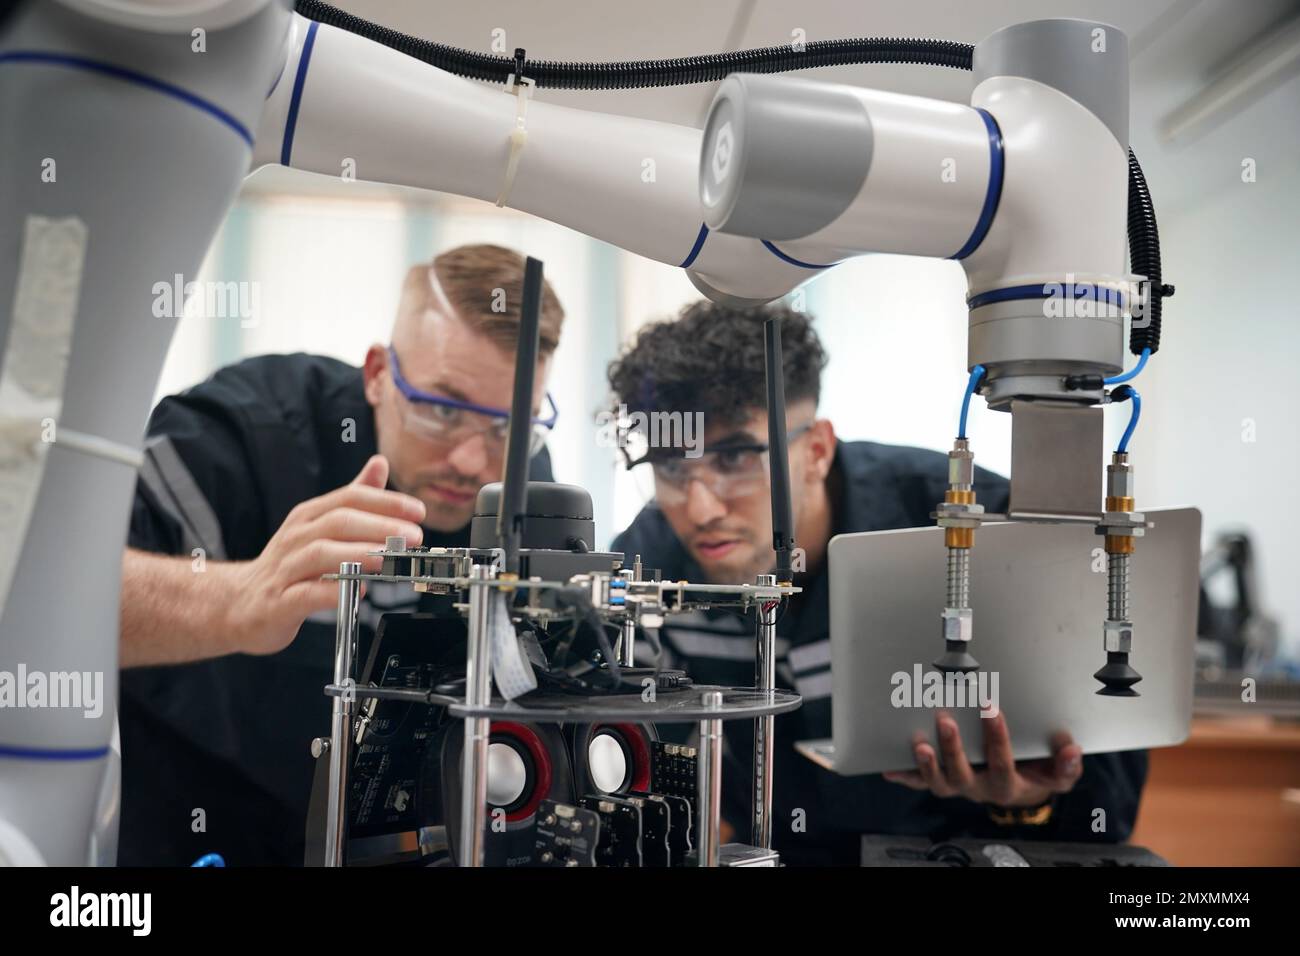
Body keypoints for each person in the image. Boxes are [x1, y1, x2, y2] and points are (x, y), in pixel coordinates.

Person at [608, 302, 1148, 866]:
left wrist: (1028, 802)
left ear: (816, 449)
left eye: (737, 457)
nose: (699, 508)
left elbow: (1111, 792)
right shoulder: (645, 563)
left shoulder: (970, 521)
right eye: (672, 467)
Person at [118, 243, 565, 865]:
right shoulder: (244, 435)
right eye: (440, 410)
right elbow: (52, 600)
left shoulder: (519, 482)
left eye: (506, 426)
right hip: (192, 830)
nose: (471, 462)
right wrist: (239, 598)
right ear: (379, 373)